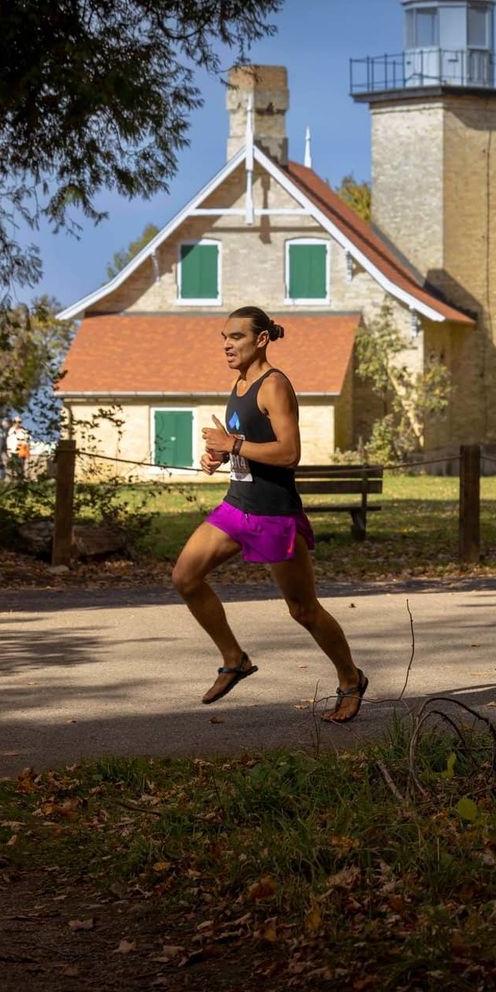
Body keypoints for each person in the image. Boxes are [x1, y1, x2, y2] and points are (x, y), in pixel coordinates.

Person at [171, 305, 369, 723]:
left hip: (274, 514)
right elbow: (245, 443)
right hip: (236, 505)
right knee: (185, 577)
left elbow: (289, 453)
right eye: (223, 337)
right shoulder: (240, 382)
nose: (227, 344)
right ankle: (234, 658)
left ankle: (350, 679)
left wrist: (233, 447)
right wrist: (218, 456)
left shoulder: (274, 385)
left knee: (303, 609)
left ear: (260, 339)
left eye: (236, 337)